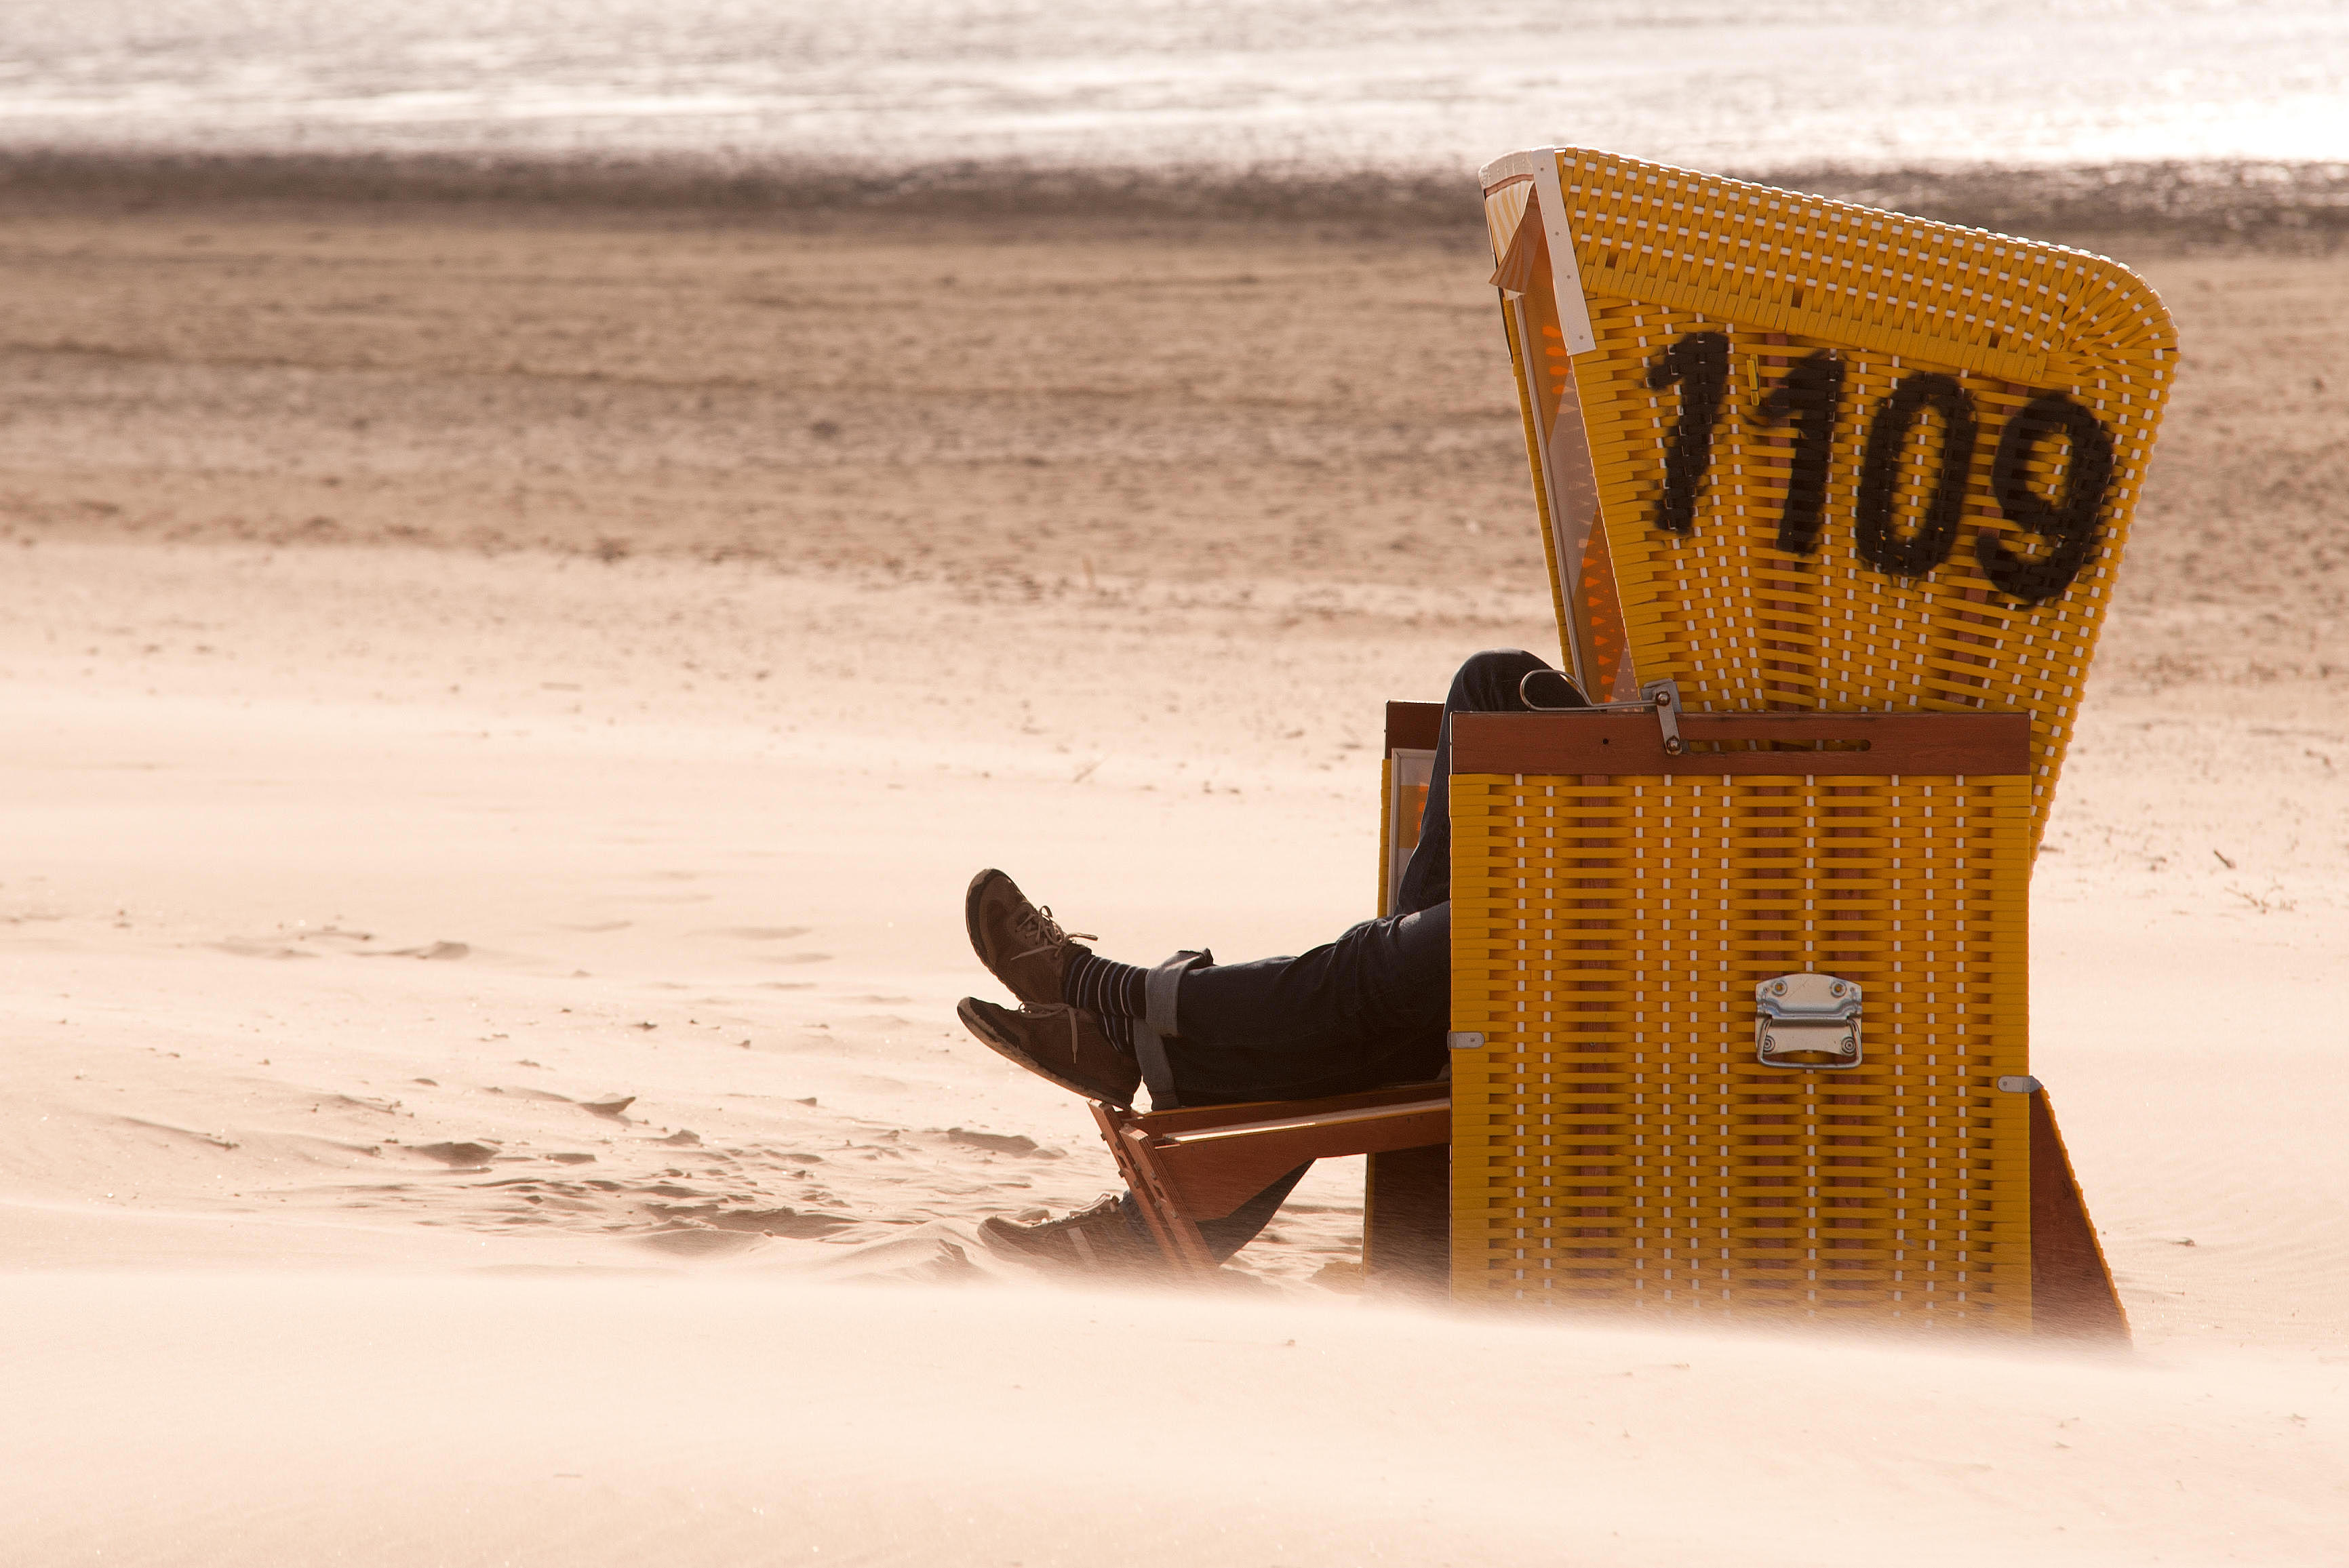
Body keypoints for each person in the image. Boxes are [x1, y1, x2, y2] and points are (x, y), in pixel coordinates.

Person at [955, 648, 1583, 1271]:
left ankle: (1107, 1004)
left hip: (1629, 931)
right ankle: (1127, 1040)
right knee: (1492, 680)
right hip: (1597, 899)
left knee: (1376, 984)